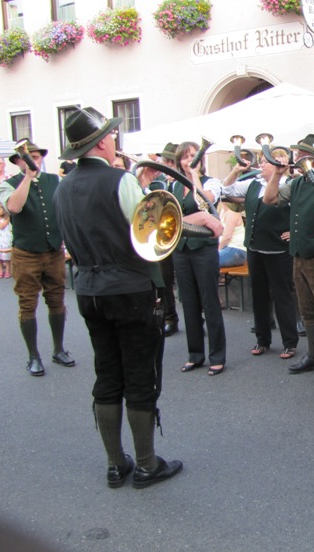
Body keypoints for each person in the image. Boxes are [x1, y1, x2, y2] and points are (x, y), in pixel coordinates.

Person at [55, 107, 218, 488]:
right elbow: (153, 231)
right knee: (140, 375)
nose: (115, 140)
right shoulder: (120, 180)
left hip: (88, 289)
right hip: (128, 289)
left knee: (108, 374)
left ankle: (116, 464)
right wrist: (198, 221)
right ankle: (146, 464)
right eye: (111, 135)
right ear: (101, 142)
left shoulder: (63, 186)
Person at [264, 134, 314, 384]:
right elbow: (269, 199)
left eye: (300, 154)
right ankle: (313, 356)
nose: (296, 157)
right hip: (299, 254)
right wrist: (277, 174)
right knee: (307, 308)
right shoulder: (298, 182)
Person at [0, 141, 73, 377]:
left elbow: (64, 210)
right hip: (26, 253)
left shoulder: (54, 180)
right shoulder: (8, 184)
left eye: (36, 156)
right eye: (27, 157)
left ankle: (58, 350)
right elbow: (14, 207)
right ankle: (33, 356)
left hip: (53, 251)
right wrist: (28, 178)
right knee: (28, 304)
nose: (33, 160)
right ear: (18, 161)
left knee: (57, 300)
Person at [222, 150, 299, 359]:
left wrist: (296, 231)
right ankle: (262, 339)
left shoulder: (290, 185)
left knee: (282, 296)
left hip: (279, 250)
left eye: (266, 162)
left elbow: (304, 212)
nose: (261, 165)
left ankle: (290, 342)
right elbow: (226, 189)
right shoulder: (253, 184)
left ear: (278, 164)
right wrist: (236, 170)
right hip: (255, 248)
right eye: (262, 161)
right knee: (259, 296)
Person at [173, 141, 228, 376]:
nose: (189, 161)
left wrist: (195, 177)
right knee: (189, 303)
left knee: (210, 302)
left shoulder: (211, 182)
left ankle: (217, 356)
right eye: (185, 157)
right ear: (179, 161)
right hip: (181, 249)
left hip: (204, 249)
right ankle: (195, 354)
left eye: (193, 156)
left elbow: (205, 204)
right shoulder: (174, 185)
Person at [148, 143, 181, 336]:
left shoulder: (185, 182)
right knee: (164, 281)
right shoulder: (158, 182)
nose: (168, 166)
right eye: (166, 162)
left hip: (183, 238)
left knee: (189, 283)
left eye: (171, 162)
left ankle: (197, 320)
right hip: (164, 237)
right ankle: (170, 318)